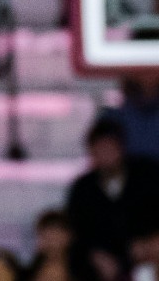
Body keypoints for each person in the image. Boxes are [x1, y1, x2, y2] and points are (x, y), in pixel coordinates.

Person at [66, 118, 159, 277]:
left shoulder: (147, 175)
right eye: (100, 150)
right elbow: (77, 230)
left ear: (121, 147)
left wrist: (150, 240)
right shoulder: (83, 188)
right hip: (102, 258)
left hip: (146, 249)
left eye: (110, 148)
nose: (106, 155)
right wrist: (95, 255)